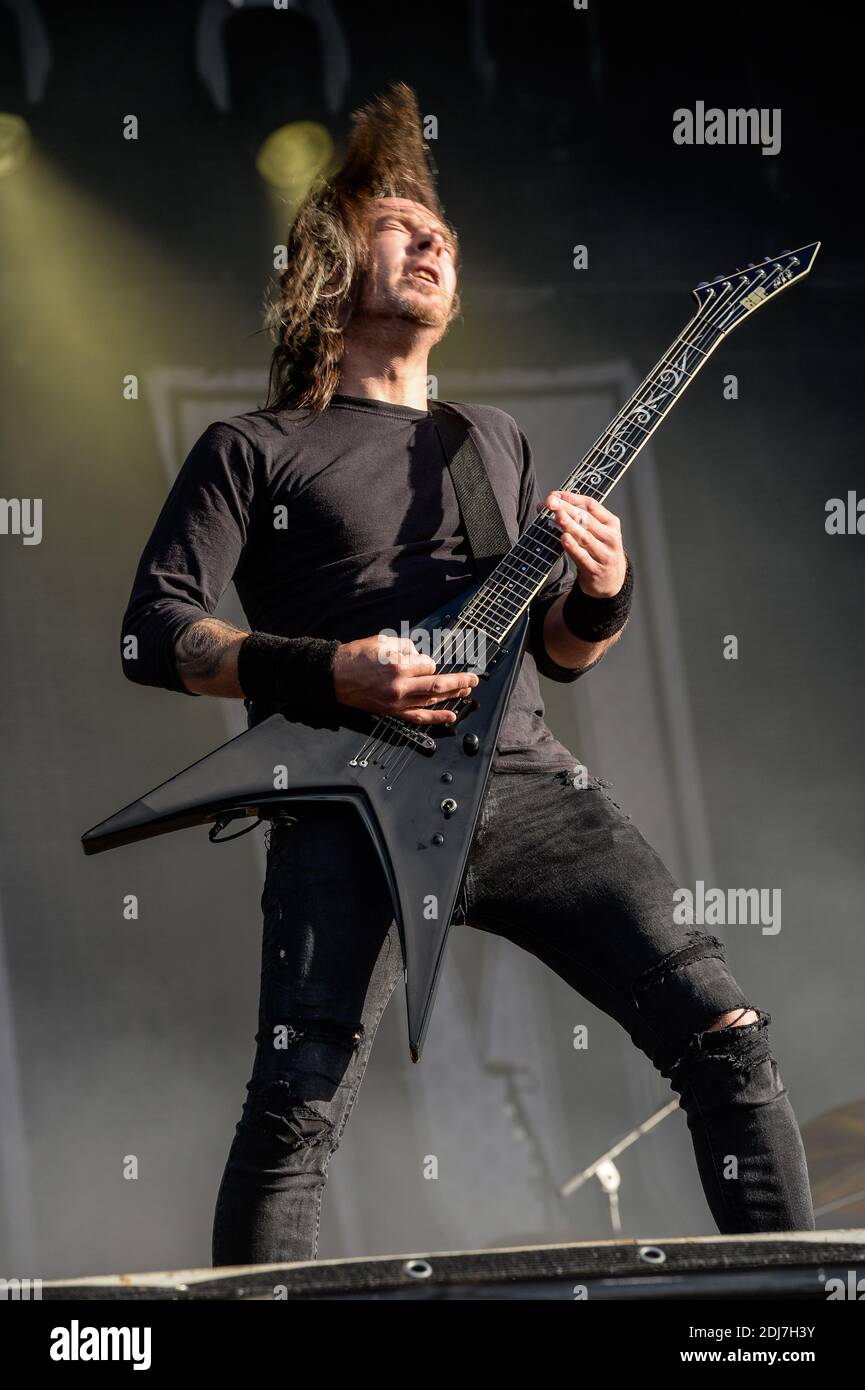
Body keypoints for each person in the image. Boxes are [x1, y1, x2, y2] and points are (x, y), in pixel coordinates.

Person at [120, 83, 814, 1265]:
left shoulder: (486, 440)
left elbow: (555, 654)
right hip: (350, 806)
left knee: (726, 1035)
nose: (436, 240)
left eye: (441, 230)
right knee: (295, 1114)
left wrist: (602, 588)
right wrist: (333, 670)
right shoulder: (255, 447)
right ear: (331, 267)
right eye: (400, 227)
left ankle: (794, 1315)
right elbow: (153, 633)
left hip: (532, 790)